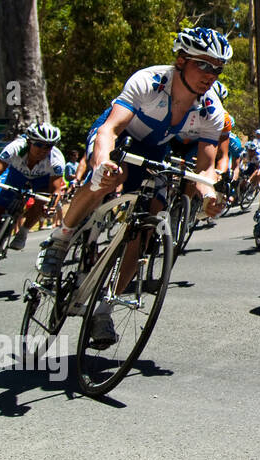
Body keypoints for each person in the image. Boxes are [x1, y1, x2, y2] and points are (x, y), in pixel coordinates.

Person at [37, 28, 229, 347]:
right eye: (204, 65)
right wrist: (102, 164)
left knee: (150, 223)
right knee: (109, 178)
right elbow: (111, 129)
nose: (211, 75)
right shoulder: (149, 81)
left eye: (217, 68)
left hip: (154, 150)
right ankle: (62, 237)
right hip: (120, 136)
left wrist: (209, 197)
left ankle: (104, 308)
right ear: (181, 61)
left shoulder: (212, 111)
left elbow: (205, 168)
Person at [0, 123, 65, 273]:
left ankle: (23, 232)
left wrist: (51, 206)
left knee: (42, 201)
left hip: (41, 181)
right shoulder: (16, 147)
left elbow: (56, 190)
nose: (43, 150)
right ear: (29, 142)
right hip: (14, 176)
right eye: (39, 145)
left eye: (48, 146)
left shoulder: (56, 159)